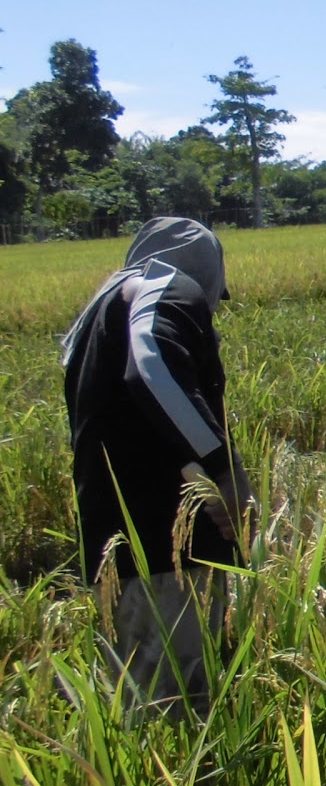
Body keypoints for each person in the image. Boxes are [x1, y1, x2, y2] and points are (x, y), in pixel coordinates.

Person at [61, 217, 255, 713]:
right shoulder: (166, 288)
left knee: (143, 705)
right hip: (163, 547)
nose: (212, 306)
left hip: (119, 548)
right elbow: (153, 369)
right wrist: (224, 469)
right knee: (179, 711)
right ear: (205, 271)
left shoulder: (104, 309)